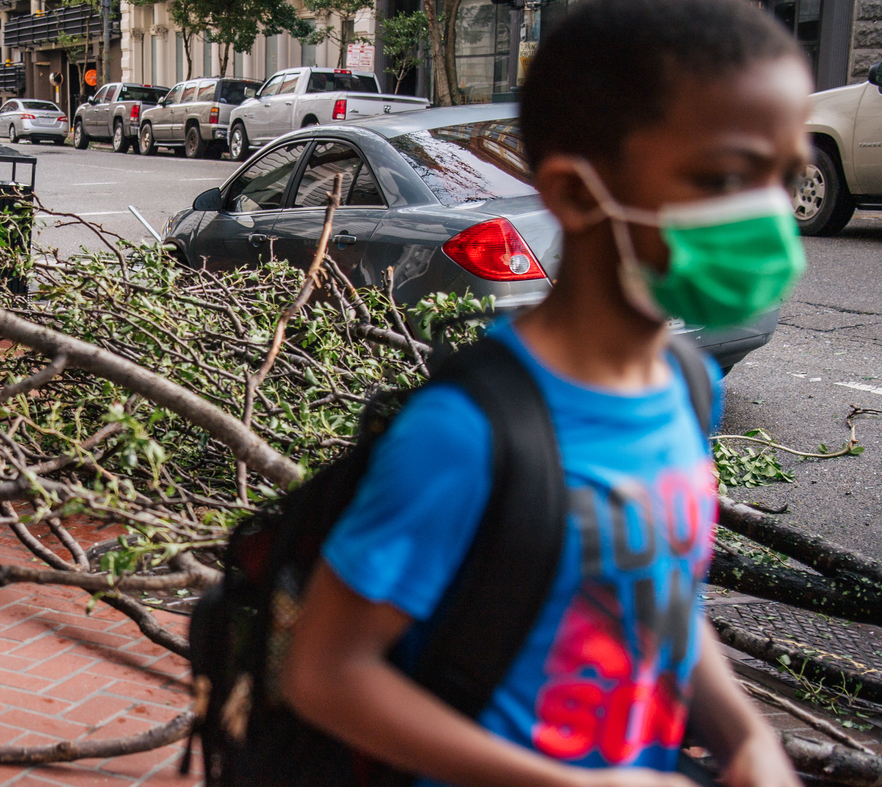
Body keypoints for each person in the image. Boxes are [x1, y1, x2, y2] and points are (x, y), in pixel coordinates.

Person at [281, 1, 810, 787]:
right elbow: (325, 673)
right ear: (574, 190)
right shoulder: (464, 433)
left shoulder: (689, 387)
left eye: (788, 176)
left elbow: (660, 597)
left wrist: (746, 738)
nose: (769, 213)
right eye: (725, 177)